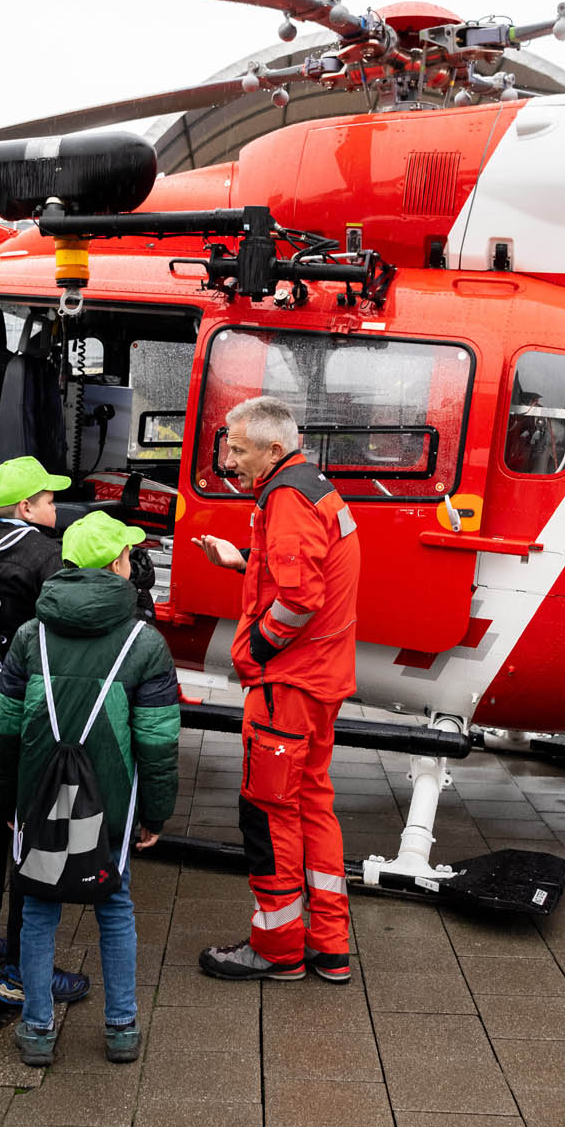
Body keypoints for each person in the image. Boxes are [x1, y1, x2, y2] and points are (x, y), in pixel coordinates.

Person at [0, 512, 180, 1065]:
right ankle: (121, 1027)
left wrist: (10, 801)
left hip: (39, 790)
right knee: (115, 904)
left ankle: (37, 1028)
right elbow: (157, 741)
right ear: (117, 565)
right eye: (127, 556)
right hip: (114, 795)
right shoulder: (144, 642)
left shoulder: (31, 635)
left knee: (38, 905)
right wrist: (157, 812)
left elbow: (4, 730)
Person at [192, 397, 361, 982]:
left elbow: (299, 599)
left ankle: (278, 949)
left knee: (268, 813)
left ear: (273, 448)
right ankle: (329, 946)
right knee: (313, 805)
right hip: (320, 681)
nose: (229, 462)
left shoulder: (284, 498)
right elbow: (306, 578)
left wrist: (255, 652)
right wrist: (245, 562)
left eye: (237, 449)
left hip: (285, 684)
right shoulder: (314, 488)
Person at [0, 455, 91, 1007]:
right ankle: (20, 972)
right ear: (27, 507)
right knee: (31, 836)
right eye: (50, 500)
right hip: (26, 712)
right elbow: (64, 630)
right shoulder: (45, 555)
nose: (57, 508)